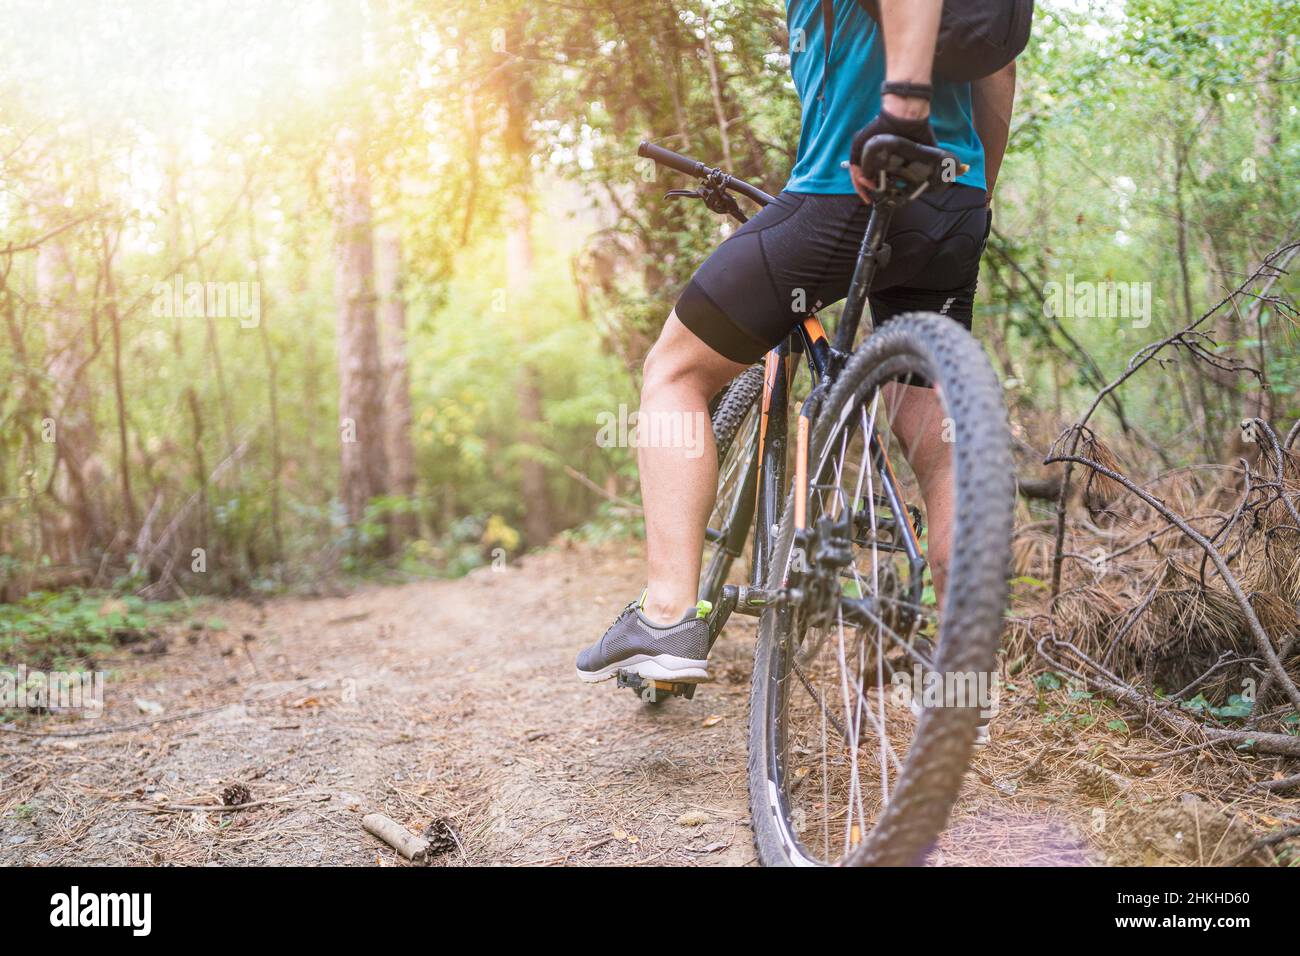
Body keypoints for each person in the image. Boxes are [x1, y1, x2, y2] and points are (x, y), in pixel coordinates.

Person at [576, 0, 1016, 684]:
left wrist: (900, 111)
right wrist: (975, 190)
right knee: (935, 425)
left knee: (676, 371)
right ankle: (966, 650)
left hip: (851, 187)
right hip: (954, 203)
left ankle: (665, 615)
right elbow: (998, 68)